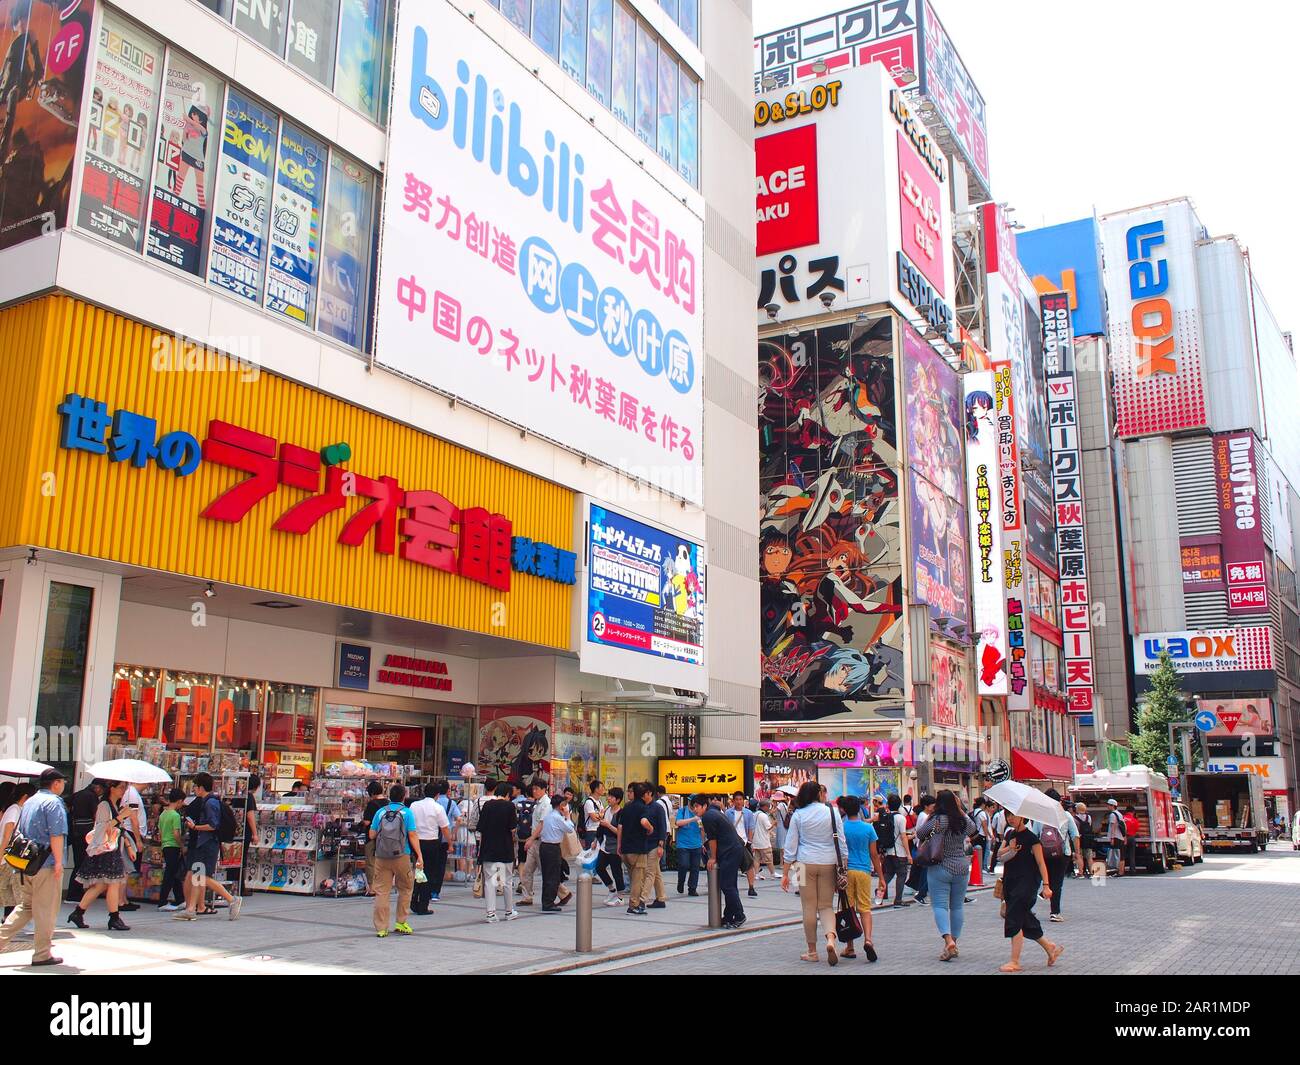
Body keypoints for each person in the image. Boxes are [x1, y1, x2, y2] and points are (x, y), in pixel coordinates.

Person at [0, 768, 68, 966]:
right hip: (45, 864)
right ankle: (42, 954)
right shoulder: (54, 803)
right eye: (62, 782)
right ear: (55, 783)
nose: (63, 785)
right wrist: (58, 862)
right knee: (46, 910)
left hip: (26, 863)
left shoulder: (30, 801)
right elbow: (56, 834)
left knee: (26, 906)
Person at [781, 780, 847, 965]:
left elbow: (790, 845)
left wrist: (786, 873)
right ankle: (831, 939)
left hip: (802, 864)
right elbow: (841, 841)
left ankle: (812, 951)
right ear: (818, 794)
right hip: (828, 862)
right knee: (826, 906)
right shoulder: (833, 812)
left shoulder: (799, 815)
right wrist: (844, 866)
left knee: (808, 907)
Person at [915, 790, 982, 961]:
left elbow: (920, 834)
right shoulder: (961, 820)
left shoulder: (937, 819)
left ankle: (948, 940)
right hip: (961, 866)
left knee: (940, 906)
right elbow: (974, 830)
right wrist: (960, 810)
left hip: (939, 866)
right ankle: (954, 943)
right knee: (957, 906)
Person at [997, 811, 1064, 972]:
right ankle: (1050, 948)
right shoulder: (1010, 834)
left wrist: (1046, 886)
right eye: (1008, 815)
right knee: (1025, 921)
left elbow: (1041, 863)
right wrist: (1009, 849)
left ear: (1023, 817)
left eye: (1013, 815)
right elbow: (999, 854)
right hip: (1011, 883)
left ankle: (1015, 961)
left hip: (1026, 885)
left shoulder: (1032, 839)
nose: (1010, 818)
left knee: (1014, 919)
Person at [67, 780, 137, 931]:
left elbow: (120, 830)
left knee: (100, 885)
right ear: (112, 788)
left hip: (111, 849)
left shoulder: (114, 806)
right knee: (113, 883)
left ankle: (78, 913)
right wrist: (121, 816)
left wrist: (129, 847)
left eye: (125, 788)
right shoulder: (104, 805)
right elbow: (103, 827)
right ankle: (114, 918)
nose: (123, 790)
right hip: (106, 850)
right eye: (121, 787)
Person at [174, 774, 242, 922]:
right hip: (204, 843)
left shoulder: (210, 803)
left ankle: (232, 899)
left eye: (195, 787)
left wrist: (195, 826)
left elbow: (213, 825)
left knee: (201, 877)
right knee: (197, 877)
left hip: (206, 844)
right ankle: (191, 909)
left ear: (200, 787)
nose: (194, 790)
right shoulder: (210, 801)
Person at [368, 784, 423, 937]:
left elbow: (372, 834)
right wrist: (419, 855)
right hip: (402, 855)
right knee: (405, 889)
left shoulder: (380, 812)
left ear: (389, 796)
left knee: (381, 891)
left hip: (381, 856)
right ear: (404, 797)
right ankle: (401, 922)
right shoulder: (407, 813)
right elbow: (412, 835)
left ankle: (381, 928)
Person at [838, 795, 884, 962]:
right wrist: (881, 876)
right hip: (864, 871)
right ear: (859, 809)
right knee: (865, 907)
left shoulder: (842, 828)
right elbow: (874, 854)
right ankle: (868, 940)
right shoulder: (868, 828)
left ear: (844, 809)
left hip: (847, 871)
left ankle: (849, 947)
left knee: (848, 909)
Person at [693, 794, 745, 929]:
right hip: (733, 849)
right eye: (693, 807)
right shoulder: (714, 812)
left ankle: (739, 916)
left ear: (704, 806)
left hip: (730, 852)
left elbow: (713, 839)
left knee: (727, 885)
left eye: (697, 806)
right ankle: (728, 916)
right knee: (730, 885)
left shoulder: (708, 817)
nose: (695, 810)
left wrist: (712, 858)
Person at [1032, 791, 1078, 923]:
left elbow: (1035, 835)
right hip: (1062, 854)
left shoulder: (1039, 816)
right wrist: (1077, 853)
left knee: (1038, 880)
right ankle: (1055, 912)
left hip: (1043, 853)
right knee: (1057, 883)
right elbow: (1075, 835)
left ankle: (1029, 908)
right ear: (1059, 801)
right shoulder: (1066, 815)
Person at [477, 782, 519, 922]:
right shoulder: (509, 806)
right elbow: (513, 829)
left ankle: (491, 913)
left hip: (489, 847)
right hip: (505, 848)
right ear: (507, 794)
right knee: (507, 880)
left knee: (490, 880)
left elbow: (481, 828)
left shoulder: (487, 805)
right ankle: (508, 911)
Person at [409, 786, 452, 916]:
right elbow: (444, 828)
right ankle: (423, 905)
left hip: (416, 842)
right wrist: (450, 843)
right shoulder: (437, 807)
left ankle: (413, 899)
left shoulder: (414, 805)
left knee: (418, 870)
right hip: (432, 843)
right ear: (437, 795)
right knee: (428, 874)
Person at [617, 783, 658, 915]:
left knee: (632, 876)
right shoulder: (643, 808)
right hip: (638, 849)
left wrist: (619, 846)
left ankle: (635, 905)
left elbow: (620, 827)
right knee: (637, 879)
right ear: (643, 795)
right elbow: (644, 822)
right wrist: (651, 829)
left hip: (625, 849)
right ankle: (633, 906)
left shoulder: (626, 808)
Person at [0, 783, 35, 920]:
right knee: (10, 889)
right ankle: (8, 919)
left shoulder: (16, 810)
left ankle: (8, 919)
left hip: (9, 857)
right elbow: (7, 835)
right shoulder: (14, 810)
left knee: (11, 890)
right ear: (25, 797)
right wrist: (1, 853)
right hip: (7, 857)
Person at [66, 778, 104, 902]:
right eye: (101, 790)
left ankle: (74, 892)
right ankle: (74, 893)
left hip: (75, 832)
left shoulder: (78, 794)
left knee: (78, 863)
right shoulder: (91, 796)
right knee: (81, 864)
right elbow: (96, 814)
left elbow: (67, 805)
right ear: (97, 787)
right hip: (86, 833)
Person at [538, 795, 577, 912]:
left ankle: (547, 901)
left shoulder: (548, 816)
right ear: (561, 806)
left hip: (544, 847)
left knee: (547, 875)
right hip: (552, 848)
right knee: (553, 876)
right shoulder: (557, 817)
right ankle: (548, 903)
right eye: (565, 805)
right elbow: (570, 828)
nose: (566, 807)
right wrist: (568, 816)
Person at [428, 779, 460, 901]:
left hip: (431, 837)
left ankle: (428, 889)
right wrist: (453, 833)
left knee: (430, 864)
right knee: (441, 865)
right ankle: (436, 891)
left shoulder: (433, 802)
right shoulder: (451, 803)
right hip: (445, 839)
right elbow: (459, 819)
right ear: (448, 790)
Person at [156, 788, 188, 911]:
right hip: (173, 846)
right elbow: (176, 833)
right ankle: (162, 901)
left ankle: (180, 899)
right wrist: (181, 846)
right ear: (179, 801)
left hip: (165, 845)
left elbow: (160, 831)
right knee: (170, 874)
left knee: (174, 873)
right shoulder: (175, 815)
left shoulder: (163, 814)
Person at [882, 793, 912, 906]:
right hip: (899, 852)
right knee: (901, 874)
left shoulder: (885, 816)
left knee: (888, 873)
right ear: (899, 804)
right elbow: (903, 836)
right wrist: (908, 854)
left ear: (888, 805)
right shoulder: (901, 818)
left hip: (888, 851)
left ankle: (880, 892)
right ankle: (898, 899)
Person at [728, 791, 758, 899]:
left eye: (740, 799)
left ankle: (751, 887)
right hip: (733, 843)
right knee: (732, 866)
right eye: (736, 799)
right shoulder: (728, 813)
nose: (739, 802)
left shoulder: (748, 813)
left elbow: (751, 828)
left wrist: (750, 841)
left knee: (749, 865)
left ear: (743, 800)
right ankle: (733, 887)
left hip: (744, 843)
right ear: (733, 801)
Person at [908, 794, 936, 905]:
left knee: (926, 871)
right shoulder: (925, 817)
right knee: (927, 872)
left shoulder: (923, 815)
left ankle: (921, 893)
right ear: (926, 806)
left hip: (923, 846)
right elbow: (924, 833)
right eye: (932, 805)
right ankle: (921, 893)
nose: (934, 807)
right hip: (925, 847)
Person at [360, 780, 385, 896]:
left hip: (372, 836)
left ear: (372, 792)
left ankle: (372, 888)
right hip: (386, 837)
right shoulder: (388, 803)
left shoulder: (372, 804)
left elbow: (367, 822)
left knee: (371, 862)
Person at [649, 785, 672, 907]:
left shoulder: (657, 804)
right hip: (666, 830)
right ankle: (661, 897)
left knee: (651, 871)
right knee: (656, 870)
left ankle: (641, 899)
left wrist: (660, 843)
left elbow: (660, 821)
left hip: (659, 833)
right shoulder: (668, 801)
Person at [674, 797, 704, 895]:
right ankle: (681, 882)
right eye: (693, 803)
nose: (695, 806)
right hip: (683, 844)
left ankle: (692, 888)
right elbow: (678, 822)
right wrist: (692, 819)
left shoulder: (700, 813)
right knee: (684, 865)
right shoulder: (682, 811)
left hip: (696, 844)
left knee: (695, 868)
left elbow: (702, 829)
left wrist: (702, 843)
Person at [752, 800, 776, 880]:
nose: (769, 808)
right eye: (768, 806)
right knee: (769, 858)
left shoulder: (755, 814)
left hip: (756, 839)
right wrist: (774, 823)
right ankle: (772, 873)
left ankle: (756, 874)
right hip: (763, 840)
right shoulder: (763, 816)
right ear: (765, 806)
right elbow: (768, 827)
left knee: (756, 858)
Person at [1105, 798, 1127, 876]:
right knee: (1121, 855)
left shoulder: (1112, 815)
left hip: (1116, 837)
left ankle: (1117, 871)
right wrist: (1124, 837)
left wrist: (1112, 838)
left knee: (1116, 855)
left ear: (1112, 806)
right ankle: (1121, 871)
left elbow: (1113, 826)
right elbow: (1124, 826)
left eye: (1108, 805)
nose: (1107, 806)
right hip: (1120, 836)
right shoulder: (1119, 814)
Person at [580, 778, 605, 847]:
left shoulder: (599, 801)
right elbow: (594, 818)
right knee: (591, 853)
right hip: (591, 831)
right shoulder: (589, 802)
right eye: (602, 787)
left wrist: (599, 815)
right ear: (596, 789)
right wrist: (601, 815)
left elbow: (603, 815)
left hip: (599, 830)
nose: (603, 789)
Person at [988, 803, 1007, 873]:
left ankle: (992, 868)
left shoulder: (998, 814)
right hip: (1002, 837)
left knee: (996, 853)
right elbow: (994, 827)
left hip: (1001, 837)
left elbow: (993, 827)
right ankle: (992, 868)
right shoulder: (999, 815)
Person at [1122, 805, 1141, 873]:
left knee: (1122, 855)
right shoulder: (1135, 820)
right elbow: (1136, 829)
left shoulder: (1123, 818)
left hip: (1123, 838)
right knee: (1132, 855)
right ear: (1133, 812)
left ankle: (1122, 870)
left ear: (1126, 811)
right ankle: (1132, 870)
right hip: (1132, 838)